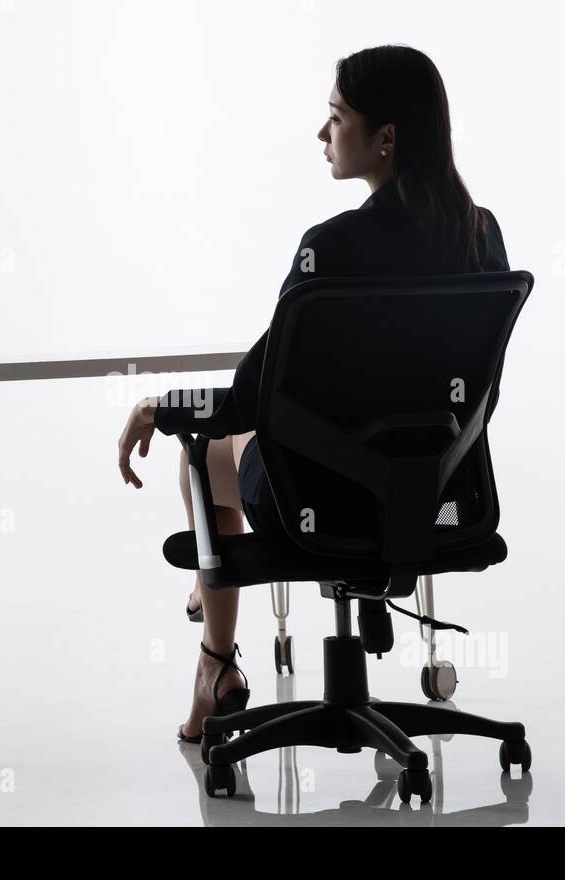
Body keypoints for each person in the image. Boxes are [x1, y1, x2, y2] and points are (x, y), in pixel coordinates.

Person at [116, 45, 511, 744]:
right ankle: (216, 652)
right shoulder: (481, 235)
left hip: (312, 506)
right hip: (442, 500)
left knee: (200, 459)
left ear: (385, 138)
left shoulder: (329, 247)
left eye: (335, 118)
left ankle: (216, 664)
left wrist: (160, 407)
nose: (321, 135)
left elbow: (247, 400)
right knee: (249, 451)